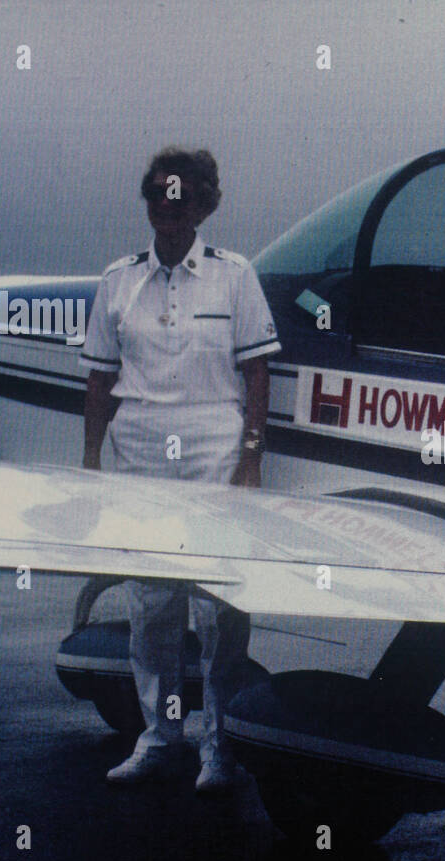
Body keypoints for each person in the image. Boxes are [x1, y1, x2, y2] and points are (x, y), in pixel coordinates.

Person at [80, 147, 280, 792]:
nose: (171, 208)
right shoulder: (117, 280)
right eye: (160, 197)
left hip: (213, 447)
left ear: (204, 206)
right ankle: (161, 736)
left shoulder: (234, 276)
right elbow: (100, 380)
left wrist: (251, 455)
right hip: (138, 451)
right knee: (151, 603)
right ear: (148, 202)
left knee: (219, 607)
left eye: (185, 198)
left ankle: (219, 747)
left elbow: (256, 372)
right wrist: (89, 463)